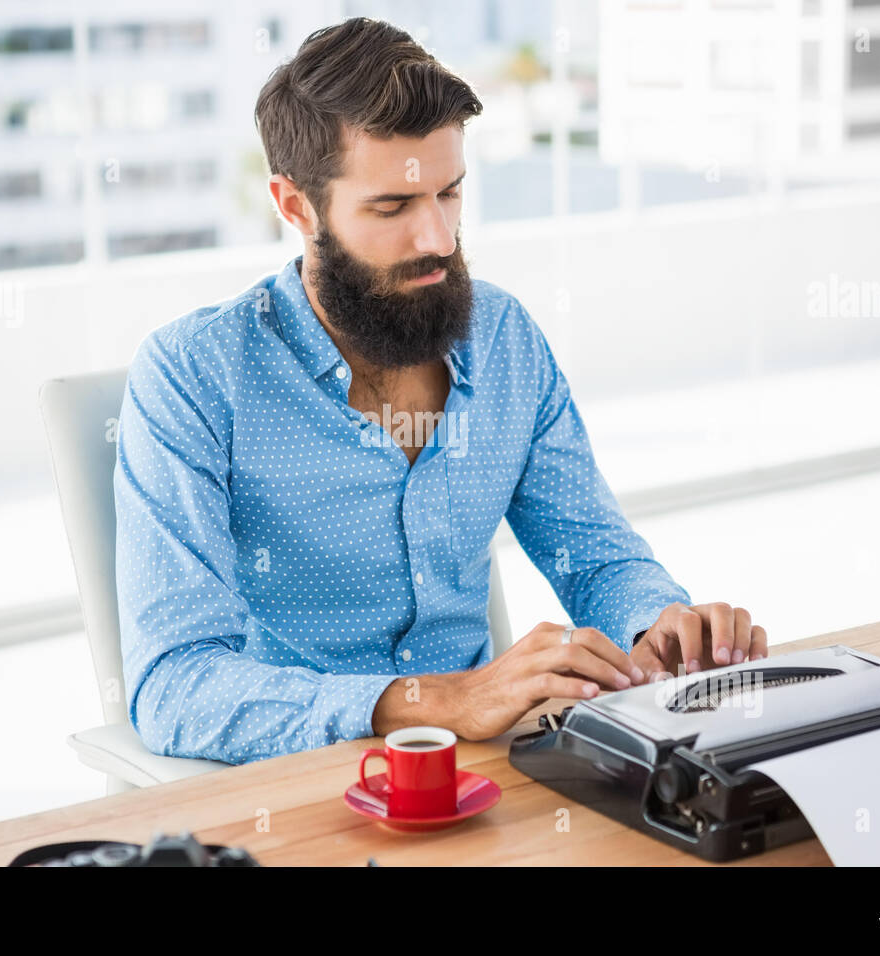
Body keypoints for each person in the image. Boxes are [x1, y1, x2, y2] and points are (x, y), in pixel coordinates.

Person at [114, 17, 767, 764]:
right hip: (304, 777)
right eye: (393, 208)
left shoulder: (504, 337)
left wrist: (657, 625)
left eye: (450, 194)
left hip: (488, 766)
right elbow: (174, 687)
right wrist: (435, 702)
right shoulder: (193, 376)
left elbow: (594, 554)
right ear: (295, 206)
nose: (439, 239)